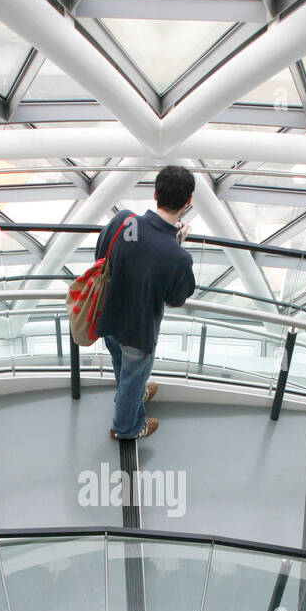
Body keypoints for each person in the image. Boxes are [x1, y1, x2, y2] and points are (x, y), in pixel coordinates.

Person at [95, 165, 197, 440]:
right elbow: (175, 299)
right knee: (133, 374)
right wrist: (176, 245)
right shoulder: (178, 257)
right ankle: (126, 428)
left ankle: (134, 393)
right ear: (187, 202)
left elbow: (103, 256)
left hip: (107, 315)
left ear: (155, 194)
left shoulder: (123, 220)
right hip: (138, 331)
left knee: (121, 367)